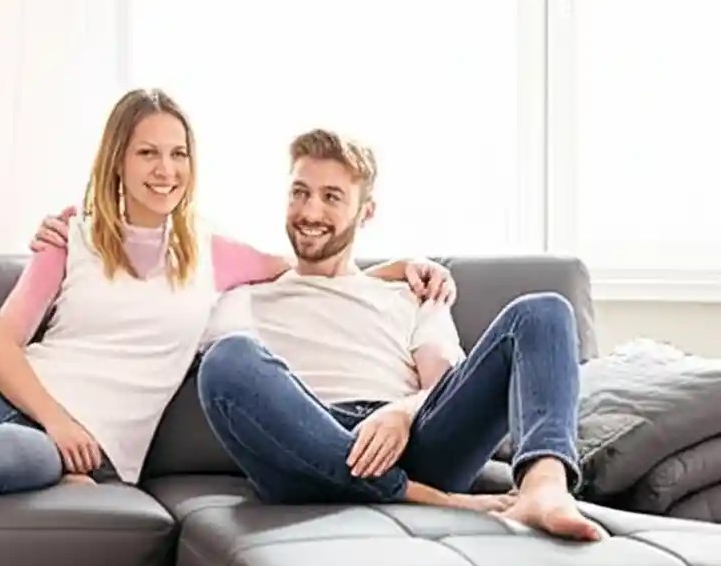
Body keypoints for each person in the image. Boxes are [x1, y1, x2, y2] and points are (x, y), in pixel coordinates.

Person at [0, 90, 452, 493]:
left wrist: (404, 269)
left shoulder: (216, 253)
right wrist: (55, 418)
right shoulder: (73, 237)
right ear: (118, 163)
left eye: (178, 153)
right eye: (147, 153)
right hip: (5, 404)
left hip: (87, 455)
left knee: (19, 454)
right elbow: (1, 347)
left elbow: (310, 259)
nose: (165, 169)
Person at [188, 128, 605, 542]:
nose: (310, 212)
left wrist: (401, 413)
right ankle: (419, 496)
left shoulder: (409, 294)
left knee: (543, 311)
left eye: (332, 197)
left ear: (365, 211)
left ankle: (545, 489)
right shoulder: (246, 297)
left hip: (413, 438)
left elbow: (442, 385)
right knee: (227, 358)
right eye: (299, 192)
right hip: (308, 448)